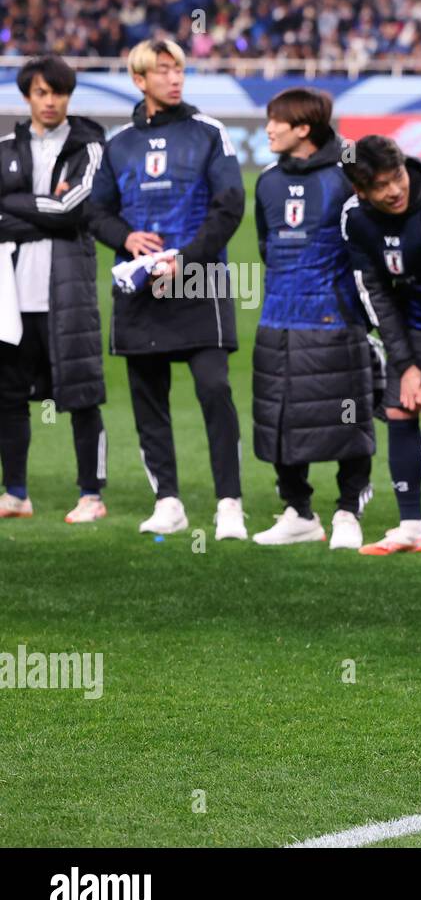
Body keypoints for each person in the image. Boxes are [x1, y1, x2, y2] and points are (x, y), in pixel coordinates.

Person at [87, 39, 246, 539]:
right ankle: (168, 501)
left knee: (214, 388)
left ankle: (229, 505)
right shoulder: (119, 146)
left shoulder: (209, 133)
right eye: (162, 71)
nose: (174, 78)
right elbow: (95, 211)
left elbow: (230, 203)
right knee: (146, 398)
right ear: (140, 80)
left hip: (197, 278)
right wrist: (125, 237)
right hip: (138, 287)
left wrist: (185, 258)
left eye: (178, 69)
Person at [249, 88, 374, 549]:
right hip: (278, 319)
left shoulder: (347, 174)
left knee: (349, 423)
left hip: (334, 320)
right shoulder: (265, 181)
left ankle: (347, 512)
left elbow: (366, 243)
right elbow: (267, 247)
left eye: (276, 121)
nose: (268, 128)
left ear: (303, 128)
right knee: (280, 421)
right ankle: (298, 511)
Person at [0, 55, 108, 524]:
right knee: (7, 396)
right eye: (42, 93)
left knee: (82, 395)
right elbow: (54, 211)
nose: (51, 101)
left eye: (59, 92)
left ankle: (91, 494)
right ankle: (16, 493)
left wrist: (12, 206)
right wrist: (43, 214)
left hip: (68, 291)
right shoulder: (5, 146)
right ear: (28, 96)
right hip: (11, 295)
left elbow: (72, 210)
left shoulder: (90, 143)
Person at [341, 135, 421, 555]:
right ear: (361, 191)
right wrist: (407, 365)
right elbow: (372, 290)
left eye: (397, 178)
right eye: (380, 186)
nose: (394, 191)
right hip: (402, 326)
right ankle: (411, 525)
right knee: (399, 409)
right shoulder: (354, 217)